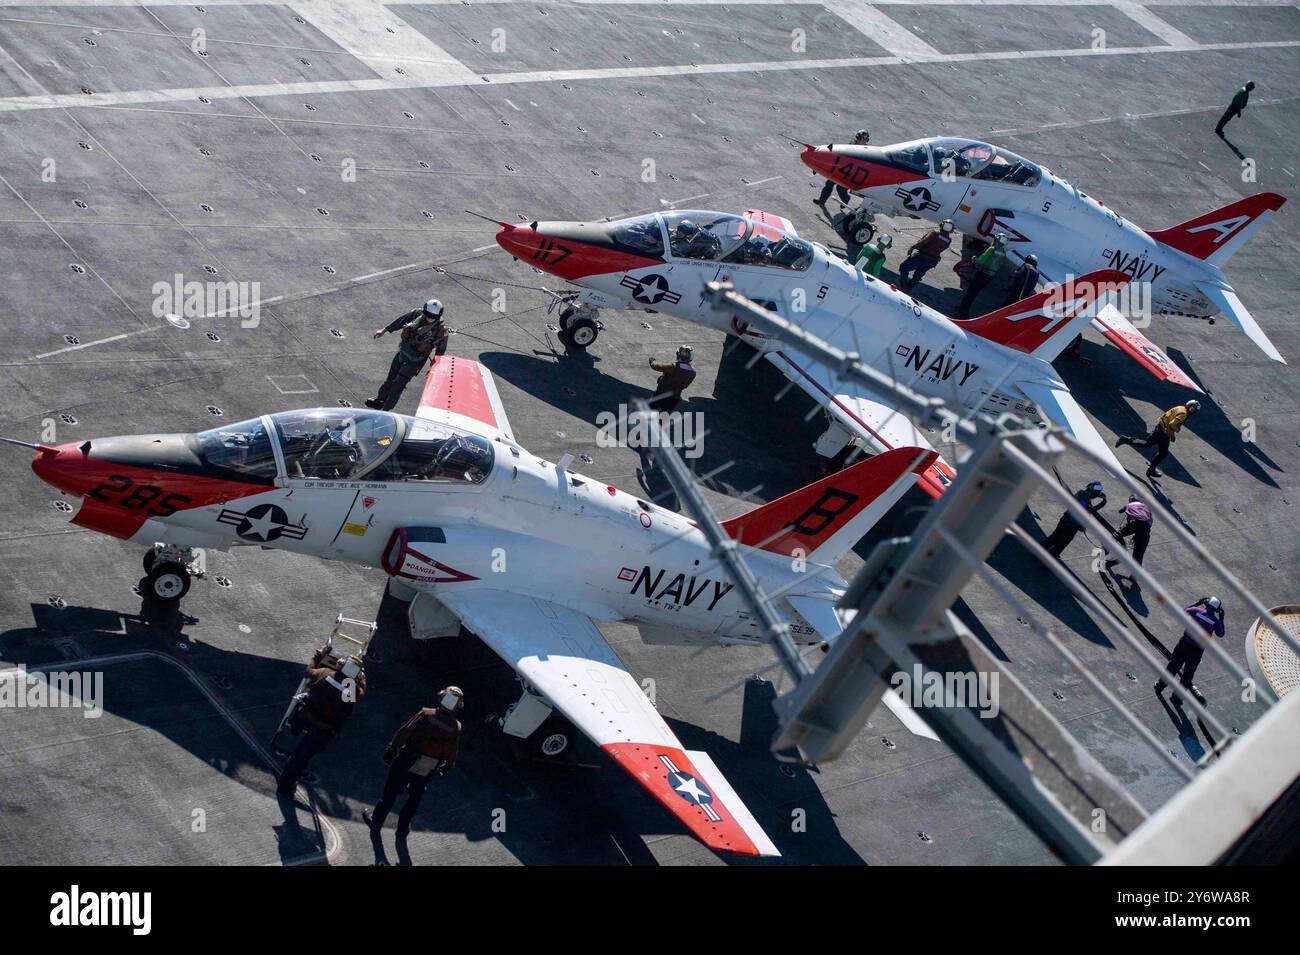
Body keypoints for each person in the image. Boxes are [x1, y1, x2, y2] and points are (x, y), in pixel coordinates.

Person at [363, 687, 464, 837]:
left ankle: (376, 822)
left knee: (391, 790)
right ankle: (403, 828)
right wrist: (448, 766)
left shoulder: (426, 714)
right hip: (429, 765)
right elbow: (452, 750)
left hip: (408, 758)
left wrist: (392, 748)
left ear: (442, 697)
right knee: (415, 796)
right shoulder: (456, 727)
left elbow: (406, 731)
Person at [277, 650, 366, 795]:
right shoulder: (353, 690)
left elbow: (308, 671)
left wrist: (317, 656)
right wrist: (362, 679)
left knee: (300, 711)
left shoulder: (325, 673)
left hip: (306, 715)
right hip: (323, 728)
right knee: (301, 757)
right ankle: (286, 786)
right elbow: (362, 692)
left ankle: (295, 728)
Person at [365, 299, 449, 411]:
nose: (430, 318)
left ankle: (386, 410)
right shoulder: (417, 314)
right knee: (390, 379)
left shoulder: (441, 330)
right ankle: (379, 400)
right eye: (428, 315)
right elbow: (401, 321)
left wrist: (433, 368)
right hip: (402, 352)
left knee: (398, 386)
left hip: (415, 360)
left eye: (433, 317)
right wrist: (384, 330)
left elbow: (440, 352)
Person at [1156, 597, 1225, 705]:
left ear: (1206, 603)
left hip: (1184, 644)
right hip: (1197, 651)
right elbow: (1221, 634)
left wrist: (1197, 603)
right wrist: (1221, 619)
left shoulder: (1196, 611)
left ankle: (1159, 687)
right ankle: (1177, 698)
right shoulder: (1215, 621)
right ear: (1217, 610)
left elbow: (1184, 611)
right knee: (1187, 675)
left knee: (1173, 667)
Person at [1116, 400, 1201, 478]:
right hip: (1163, 433)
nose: (1192, 411)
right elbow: (1172, 424)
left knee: (1146, 444)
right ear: (1190, 407)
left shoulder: (1180, 408)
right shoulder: (1184, 414)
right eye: (1193, 409)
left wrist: (1172, 435)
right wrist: (1176, 431)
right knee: (1163, 453)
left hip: (1160, 427)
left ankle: (1125, 440)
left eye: (1194, 410)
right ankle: (1151, 470)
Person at [1041, 480, 1107, 558]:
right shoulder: (1085, 501)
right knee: (1061, 544)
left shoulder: (1081, 493)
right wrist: (1081, 526)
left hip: (1064, 520)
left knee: (1054, 537)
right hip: (1071, 526)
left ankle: (1040, 550)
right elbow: (1078, 514)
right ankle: (1048, 559)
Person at [954, 233, 1007, 318]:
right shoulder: (1003, 252)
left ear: (996, 239)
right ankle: (962, 308)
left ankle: (962, 313)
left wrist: (974, 258)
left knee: (970, 293)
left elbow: (980, 261)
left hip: (982, 273)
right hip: (989, 277)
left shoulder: (992, 249)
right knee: (974, 294)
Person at [815, 129, 870, 206]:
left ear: (865, 141)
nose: (858, 141)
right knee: (829, 184)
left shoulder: (867, 151)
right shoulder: (851, 144)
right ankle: (821, 201)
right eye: (858, 139)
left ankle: (846, 200)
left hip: (849, 173)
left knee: (841, 189)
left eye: (861, 139)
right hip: (840, 168)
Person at [898, 219, 954, 291]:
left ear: (942, 225)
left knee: (904, 267)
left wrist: (913, 247)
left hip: (921, 256)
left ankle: (903, 288)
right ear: (951, 229)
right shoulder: (949, 239)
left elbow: (923, 242)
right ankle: (908, 289)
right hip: (932, 261)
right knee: (917, 276)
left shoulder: (935, 233)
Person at [648, 345, 697, 414]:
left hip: (661, 395)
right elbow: (685, 385)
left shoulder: (673, 367)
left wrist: (652, 361)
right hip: (674, 398)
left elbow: (657, 366)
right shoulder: (693, 372)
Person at [1112, 496, 1153, 565]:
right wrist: (1136, 537)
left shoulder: (1130, 505)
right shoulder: (1147, 509)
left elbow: (1120, 511)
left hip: (1135, 523)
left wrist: (1125, 510)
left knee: (1116, 535)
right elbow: (1149, 524)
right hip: (1146, 530)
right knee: (1138, 556)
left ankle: (1106, 549)